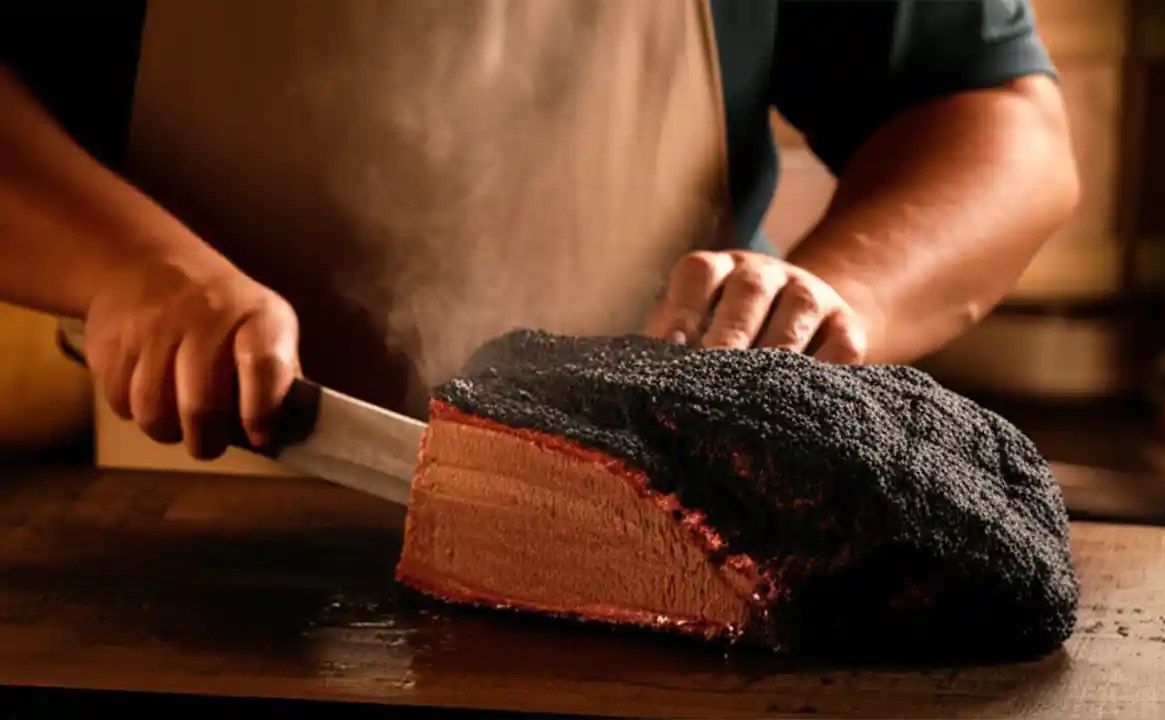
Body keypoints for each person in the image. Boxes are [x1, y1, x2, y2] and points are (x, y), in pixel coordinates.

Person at [0, 1, 1078, 461]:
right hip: (172, 524)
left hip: (661, 539)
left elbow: (993, 117)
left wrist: (842, 297)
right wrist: (126, 265)